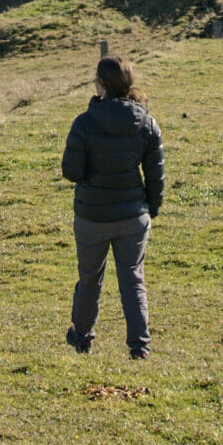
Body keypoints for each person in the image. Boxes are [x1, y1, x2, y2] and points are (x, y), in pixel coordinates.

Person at [60, 54, 165, 359]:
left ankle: (81, 336)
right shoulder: (146, 121)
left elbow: (71, 171)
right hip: (133, 216)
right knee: (132, 279)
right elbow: (156, 174)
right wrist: (150, 209)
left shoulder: (84, 122)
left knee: (90, 278)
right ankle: (139, 348)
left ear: (102, 84)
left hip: (92, 215)